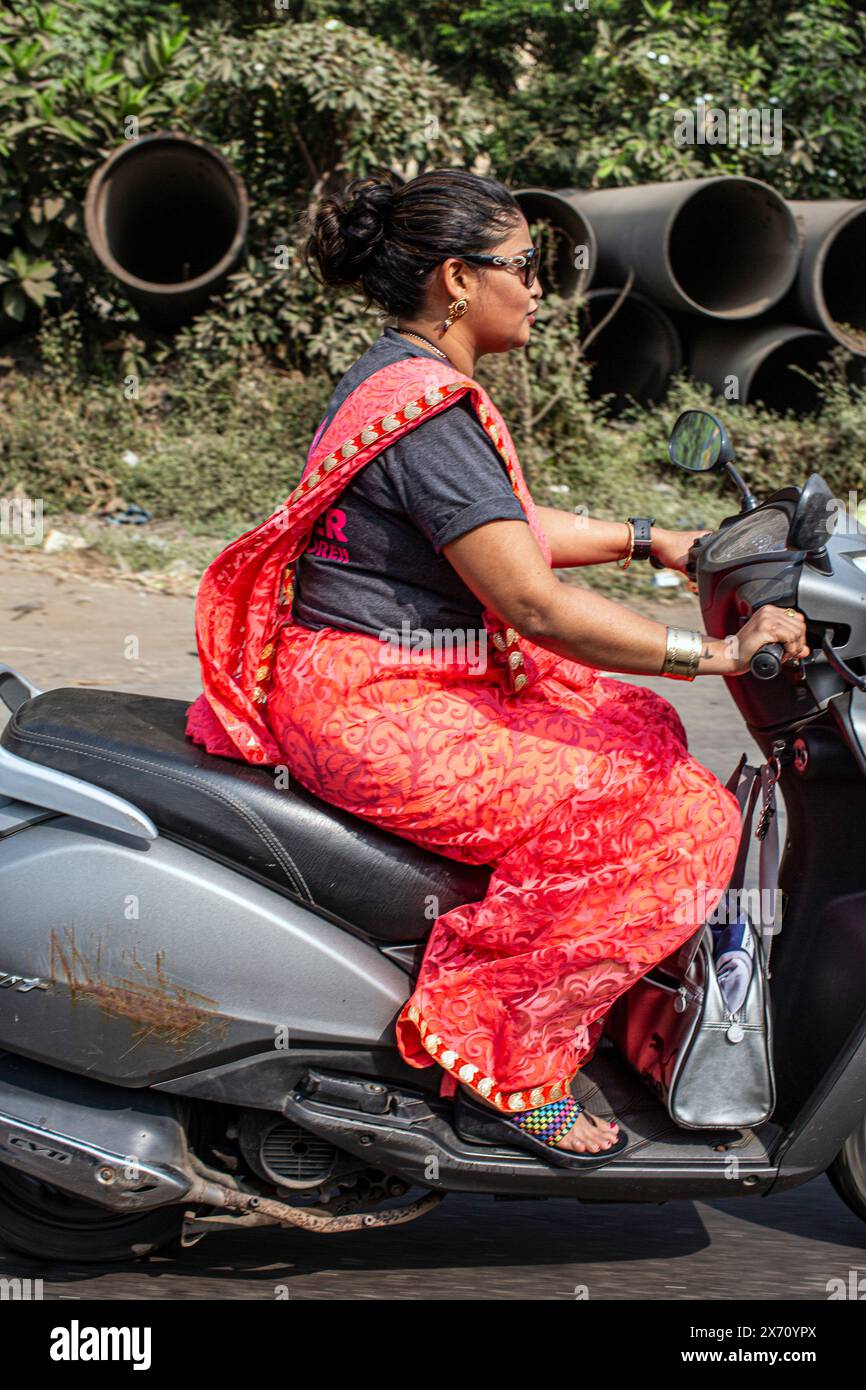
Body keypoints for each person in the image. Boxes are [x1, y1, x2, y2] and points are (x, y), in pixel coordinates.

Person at [184, 168, 810, 1170]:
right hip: (377, 706)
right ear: (454, 280)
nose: (536, 285)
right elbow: (528, 602)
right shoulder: (429, 408)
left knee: (639, 728)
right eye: (522, 265)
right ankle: (503, 1054)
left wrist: (654, 538)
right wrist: (720, 651)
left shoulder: (401, 374)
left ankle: (571, 980)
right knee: (684, 819)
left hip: (375, 680)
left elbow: (495, 528)